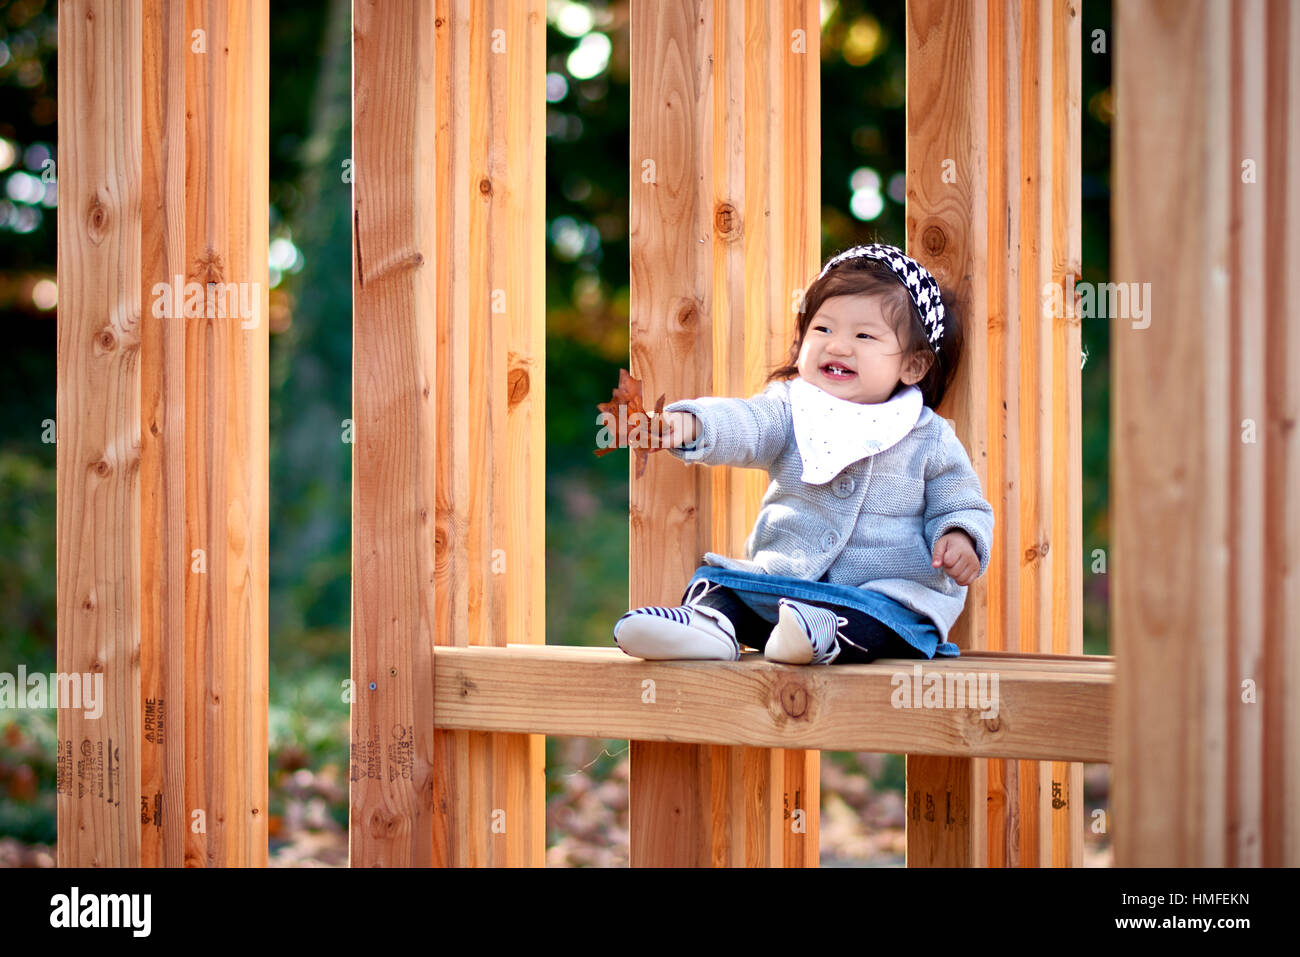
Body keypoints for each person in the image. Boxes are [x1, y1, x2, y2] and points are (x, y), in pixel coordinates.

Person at [612, 243, 994, 665]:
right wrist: (690, 424)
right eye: (823, 329)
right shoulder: (792, 408)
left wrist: (960, 537)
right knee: (716, 582)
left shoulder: (928, 436)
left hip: (882, 598)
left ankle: (818, 637)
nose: (838, 346)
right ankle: (708, 627)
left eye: (864, 335)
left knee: (883, 619)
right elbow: (748, 422)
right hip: (784, 586)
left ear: (913, 367)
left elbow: (961, 500)